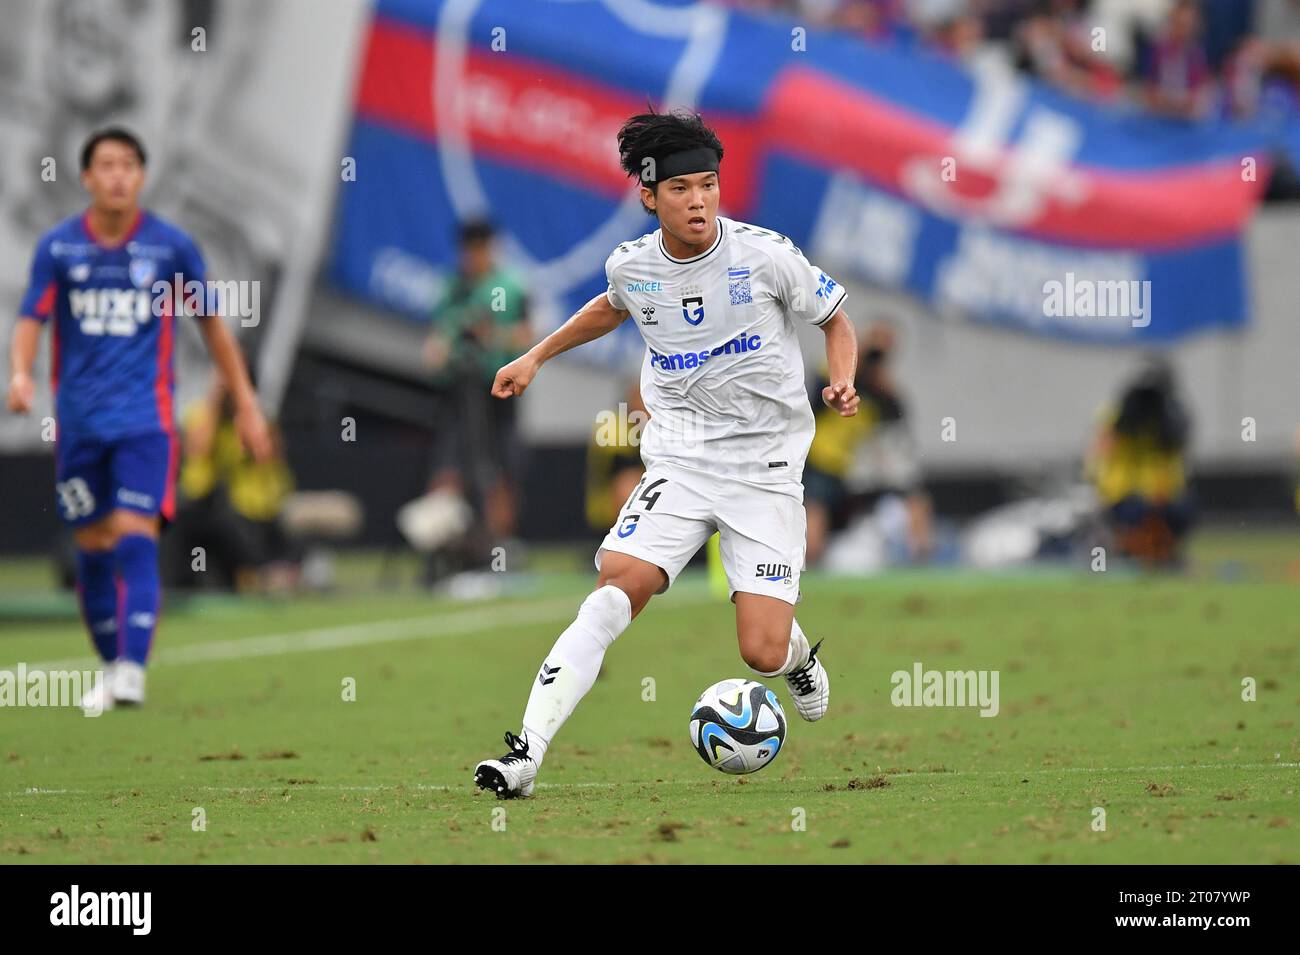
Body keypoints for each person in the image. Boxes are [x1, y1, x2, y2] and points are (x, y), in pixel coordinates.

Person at [473, 108, 858, 798]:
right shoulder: (634, 265)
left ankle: (798, 656)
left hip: (765, 471)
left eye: (708, 185)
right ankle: (525, 755)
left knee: (761, 649)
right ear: (649, 197)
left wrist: (841, 377)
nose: (699, 200)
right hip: (679, 460)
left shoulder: (766, 255)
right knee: (613, 591)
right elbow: (611, 305)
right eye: (681, 189)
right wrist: (534, 355)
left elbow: (834, 318)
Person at [5, 127, 271, 710]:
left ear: (142, 177)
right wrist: (20, 373)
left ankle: (132, 669)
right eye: (107, 164)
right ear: (87, 178)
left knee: (134, 536)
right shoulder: (59, 248)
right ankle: (112, 666)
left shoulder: (171, 247)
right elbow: (31, 318)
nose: (119, 174)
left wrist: (246, 404)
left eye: (129, 164)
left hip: (145, 424)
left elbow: (213, 328)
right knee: (92, 547)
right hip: (77, 426)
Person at [422, 219, 531, 566]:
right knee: (448, 468)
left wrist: (490, 337)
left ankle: (499, 547)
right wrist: (439, 349)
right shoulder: (451, 287)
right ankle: (446, 546)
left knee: (501, 471)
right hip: (459, 392)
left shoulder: (511, 287)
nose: (475, 257)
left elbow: (526, 337)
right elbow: (438, 338)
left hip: (499, 392)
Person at [804, 321, 931, 565]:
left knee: (915, 498)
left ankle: (920, 558)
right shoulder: (837, 374)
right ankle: (808, 569)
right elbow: (818, 392)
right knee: (816, 514)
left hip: (860, 468)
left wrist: (880, 378)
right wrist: (858, 357)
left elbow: (899, 420)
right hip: (825, 461)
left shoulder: (880, 390)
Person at [1087, 359, 1193, 566]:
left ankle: (1164, 552)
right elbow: (1102, 448)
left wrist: (1164, 416)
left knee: (1181, 512)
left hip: (1163, 492)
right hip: (1121, 492)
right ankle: (1126, 550)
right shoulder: (1115, 412)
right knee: (1133, 512)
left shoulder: (1171, 414)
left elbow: (1178, 441)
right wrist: (1128, 415)